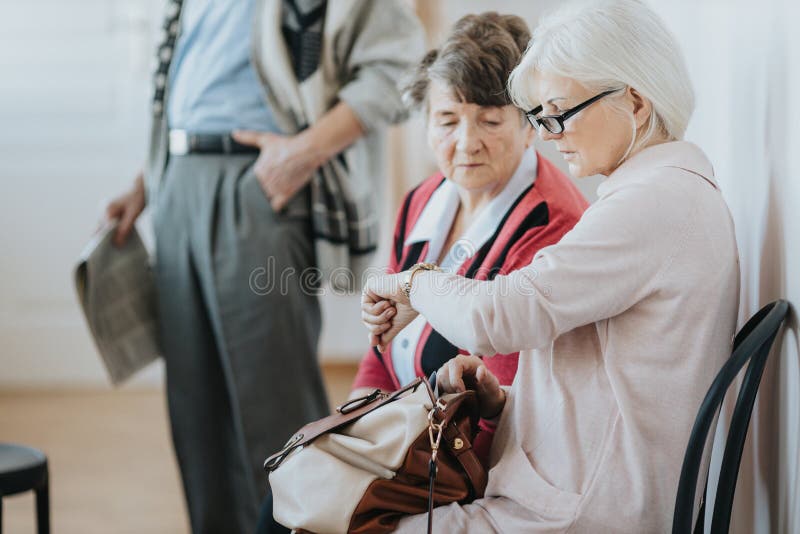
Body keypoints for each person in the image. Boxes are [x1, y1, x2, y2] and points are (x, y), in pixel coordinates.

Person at [361, 0, 740, 531]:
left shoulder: (653, 203)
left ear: (633, 102)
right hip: (582, 485)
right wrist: (503, 401)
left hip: (586, 509)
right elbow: (610, 383)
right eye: (542, 116)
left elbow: (498, 317)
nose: (550, 133)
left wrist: (411, 282)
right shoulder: (657, 193)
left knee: (343, 519)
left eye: (560, 111)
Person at [104, 1, 424, 532]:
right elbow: (194, 81)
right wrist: (145, 183)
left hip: (260, 183)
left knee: (273, 407)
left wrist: (306, 151)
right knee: (195, 410)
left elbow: (403, 68)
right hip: (178, 180)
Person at [350, 12, 587, 466]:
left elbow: (500, 413)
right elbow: (378, 351)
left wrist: (379, 469)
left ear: (528, 125)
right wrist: (353, 433)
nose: (465, 142)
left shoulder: (551, 227)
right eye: (446, 119)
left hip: (472, 463)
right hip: (405, 438)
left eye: (490, 121)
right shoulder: (421, 202)